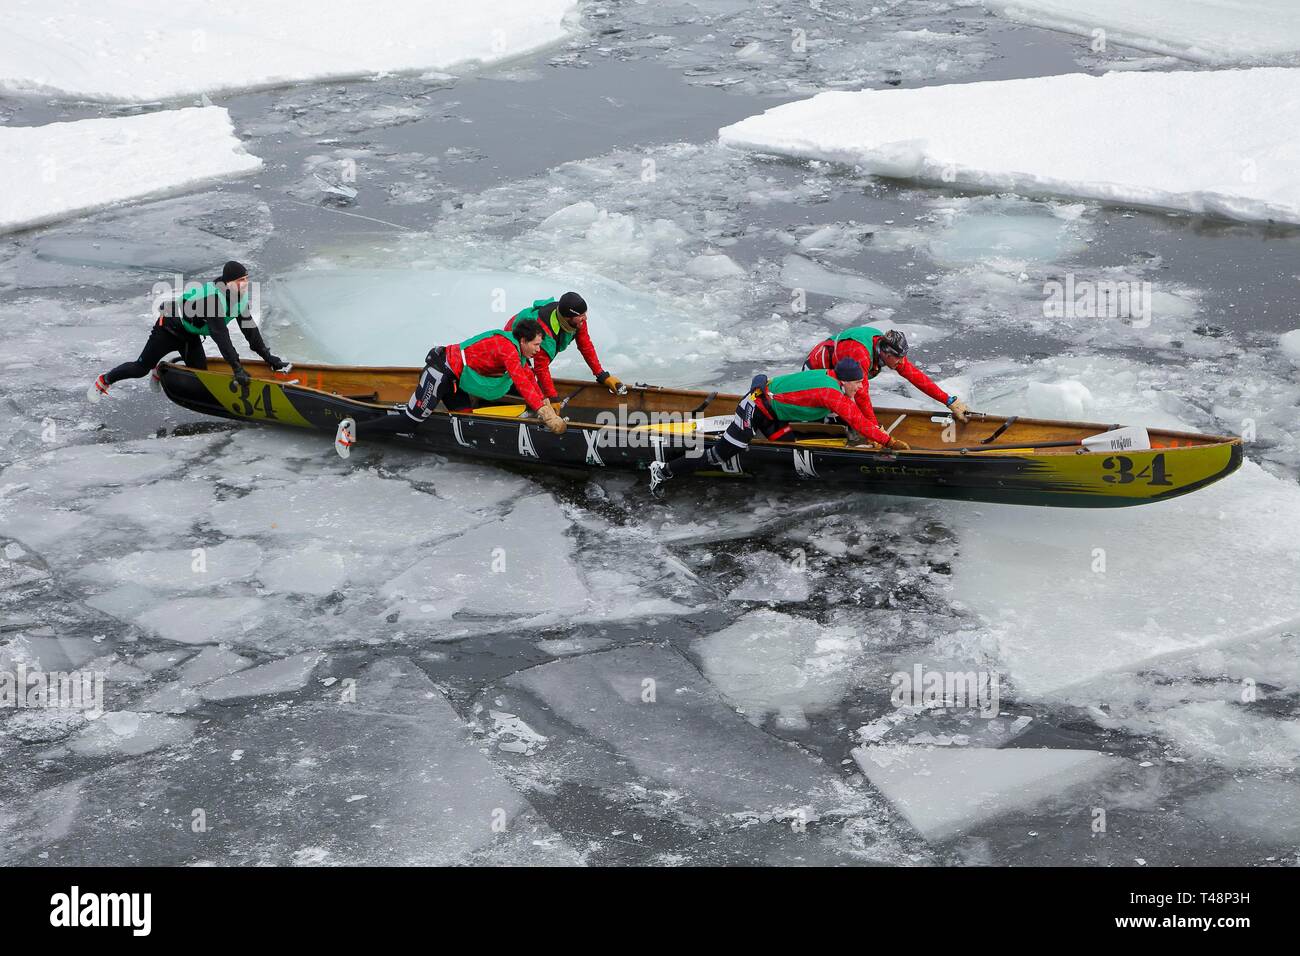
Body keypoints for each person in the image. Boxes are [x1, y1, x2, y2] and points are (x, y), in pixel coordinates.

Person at [649, 358, 906, 497]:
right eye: (858, 383)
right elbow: (858, 421)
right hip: (754, 409)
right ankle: (663, 471)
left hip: (773, 411)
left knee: (788, 447)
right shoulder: (831, 394)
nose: (861, 388)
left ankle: (770, 479)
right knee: (718, 454)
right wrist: (889, 442)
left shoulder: (831, 377)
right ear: (844, 381)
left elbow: (770, 380)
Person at [334, 318, 565, 457]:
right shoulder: (508, 349)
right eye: (535, 344)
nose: (538, 349)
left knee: (463, 420)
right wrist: (545, 414)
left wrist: (546, 405)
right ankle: (349, 431)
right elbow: (522, 382)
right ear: (523, 341)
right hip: (441, 372)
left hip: (457, 379)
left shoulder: (519, 353)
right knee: (410, 421)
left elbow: (530, 380)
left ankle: (414, 415)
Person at [88, 261, 287, 401]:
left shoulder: (239, 298)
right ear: (228, 282)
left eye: (246, 278)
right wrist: (237, 369)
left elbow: (251, 332)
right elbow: (221, 337)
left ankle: (162, 369)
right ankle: (104, 381)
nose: (245, 283)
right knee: (140, 369)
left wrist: (270, 359)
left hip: (190, 335)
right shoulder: (212, 299)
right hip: (167, 329)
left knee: (200, 375)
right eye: (240, 280)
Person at [802, 327, 970, 437]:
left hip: (842, 375)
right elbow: (861, 396)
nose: (901, 361)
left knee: (849, 409)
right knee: (824, 413)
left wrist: (949, 401)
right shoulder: (861, 354)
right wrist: (875, 431)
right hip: (818, 370)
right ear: (886, 354)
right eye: (898, 358)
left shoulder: (888, 350)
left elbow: (916, 376)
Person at [504, 292, 623, 399]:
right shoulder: (545, 334)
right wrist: (553, 398)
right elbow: (541, 368)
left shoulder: (578, 322)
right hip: (517, 337)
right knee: (523, 377)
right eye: (581, 315)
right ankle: (511, 396)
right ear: (567, 317)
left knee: (533, 378)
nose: (585, 318)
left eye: (585, 313)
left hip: (535, 337)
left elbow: (585, 346)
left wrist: (602, 375)